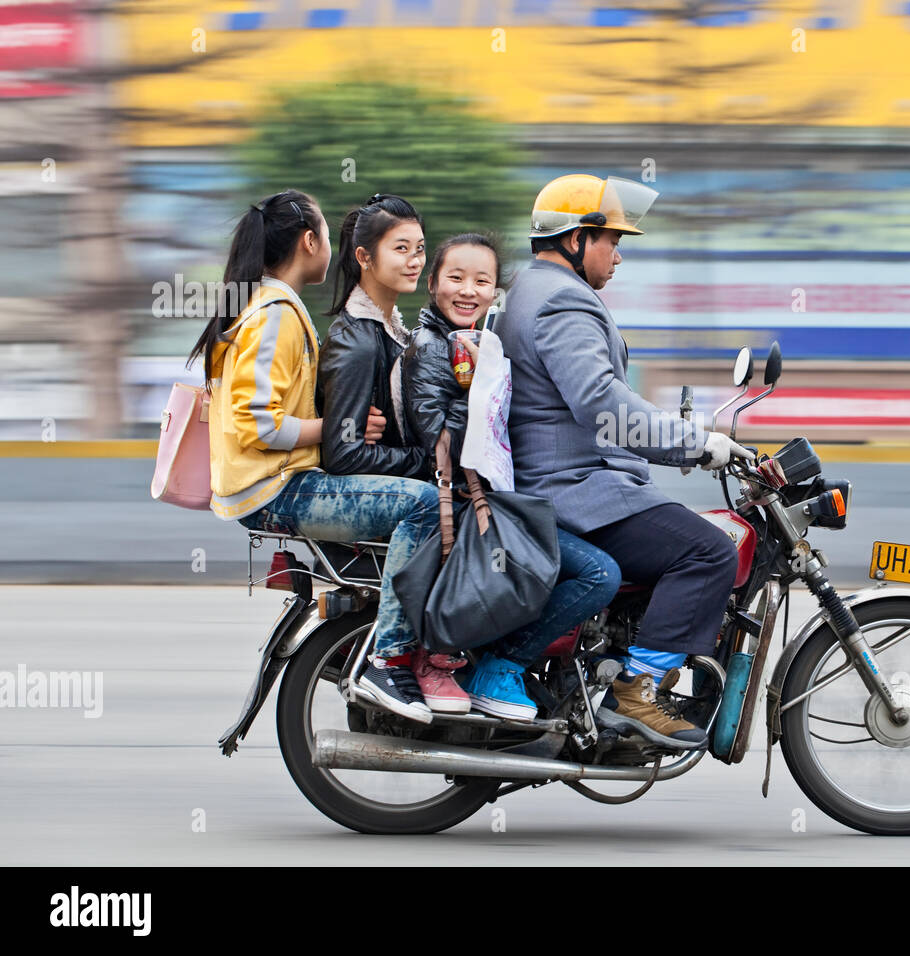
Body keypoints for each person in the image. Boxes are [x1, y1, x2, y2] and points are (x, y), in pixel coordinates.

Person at [494, 174, 753, 749]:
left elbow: (600, 400)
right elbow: (602, 403)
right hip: (570, 488)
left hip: (571, 479)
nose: (618, 255)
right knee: (708, 550)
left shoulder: (530, 290)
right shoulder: (562, 301)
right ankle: (635, 691)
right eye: (612, 240)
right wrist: (696, 443)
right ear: (575, 238)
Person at [187, 188, 444, 726]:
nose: (332, 241)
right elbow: (257, 422)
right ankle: (387, 658)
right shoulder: (277, 313)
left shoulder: (266, 306)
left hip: (279, 479)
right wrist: (335, 428)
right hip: (276, 488)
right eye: (328, 232)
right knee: (422, 503)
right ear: (310, 242)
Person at [402, 232, 621, 720]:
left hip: (491, 498)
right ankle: (501, 668)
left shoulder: (478, 342)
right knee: (600, 573)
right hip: (467, 505)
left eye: (482, 280)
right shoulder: (433, 348)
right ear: (432, 283)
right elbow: (441, 440)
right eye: (455, 277)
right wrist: (485, 382)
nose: (468, 290)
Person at [316, 194, 469, 714]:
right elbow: (343, 455)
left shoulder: (391, 330)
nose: (414, 260)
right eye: (400, 248)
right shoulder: (358, 341)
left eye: (420, 248)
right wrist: (425, 465)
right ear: (364, 257)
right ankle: (394, 657)